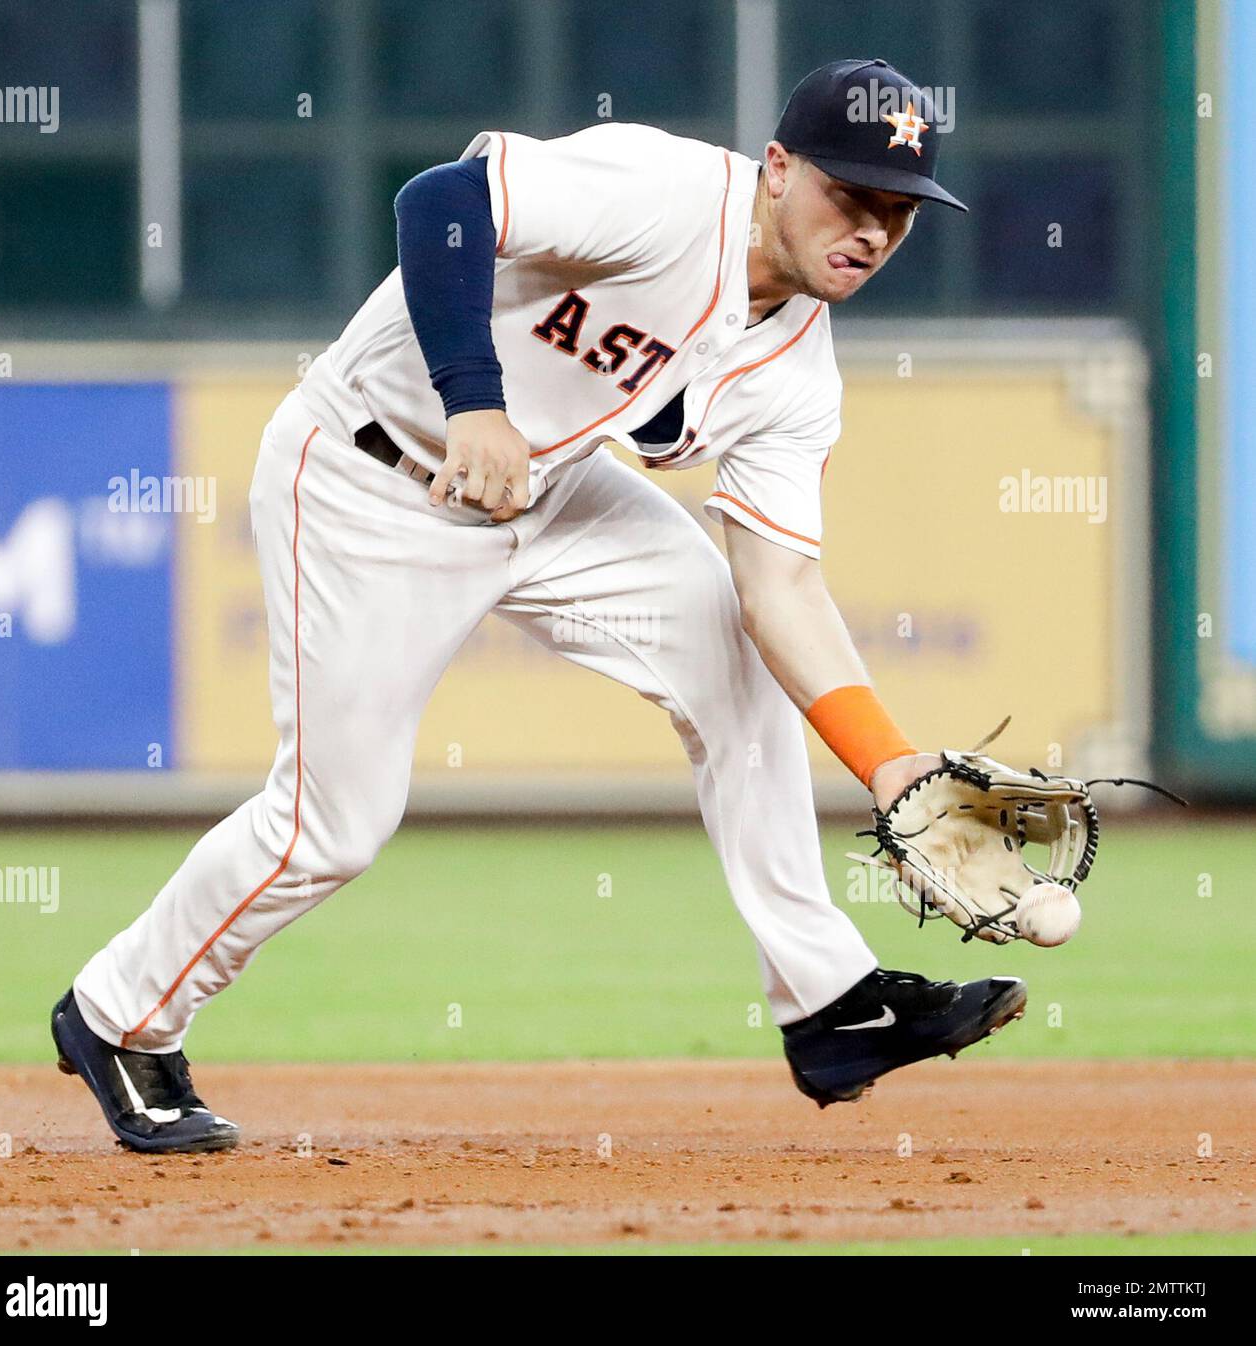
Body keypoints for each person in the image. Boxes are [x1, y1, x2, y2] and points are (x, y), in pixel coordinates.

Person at [51, 58, 1024, 1154]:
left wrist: (890, 765)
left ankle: (831, 1003)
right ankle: (118, 1015)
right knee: (333, 823)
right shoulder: (662, 194)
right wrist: (474, 399)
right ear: (777, 167)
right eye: (851, 196)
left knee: (729, 646)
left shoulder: (798, 369)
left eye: (898, 213)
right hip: (369, 475)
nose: (872, 231)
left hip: (546, 488)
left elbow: (779, 584)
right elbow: (441, 200)